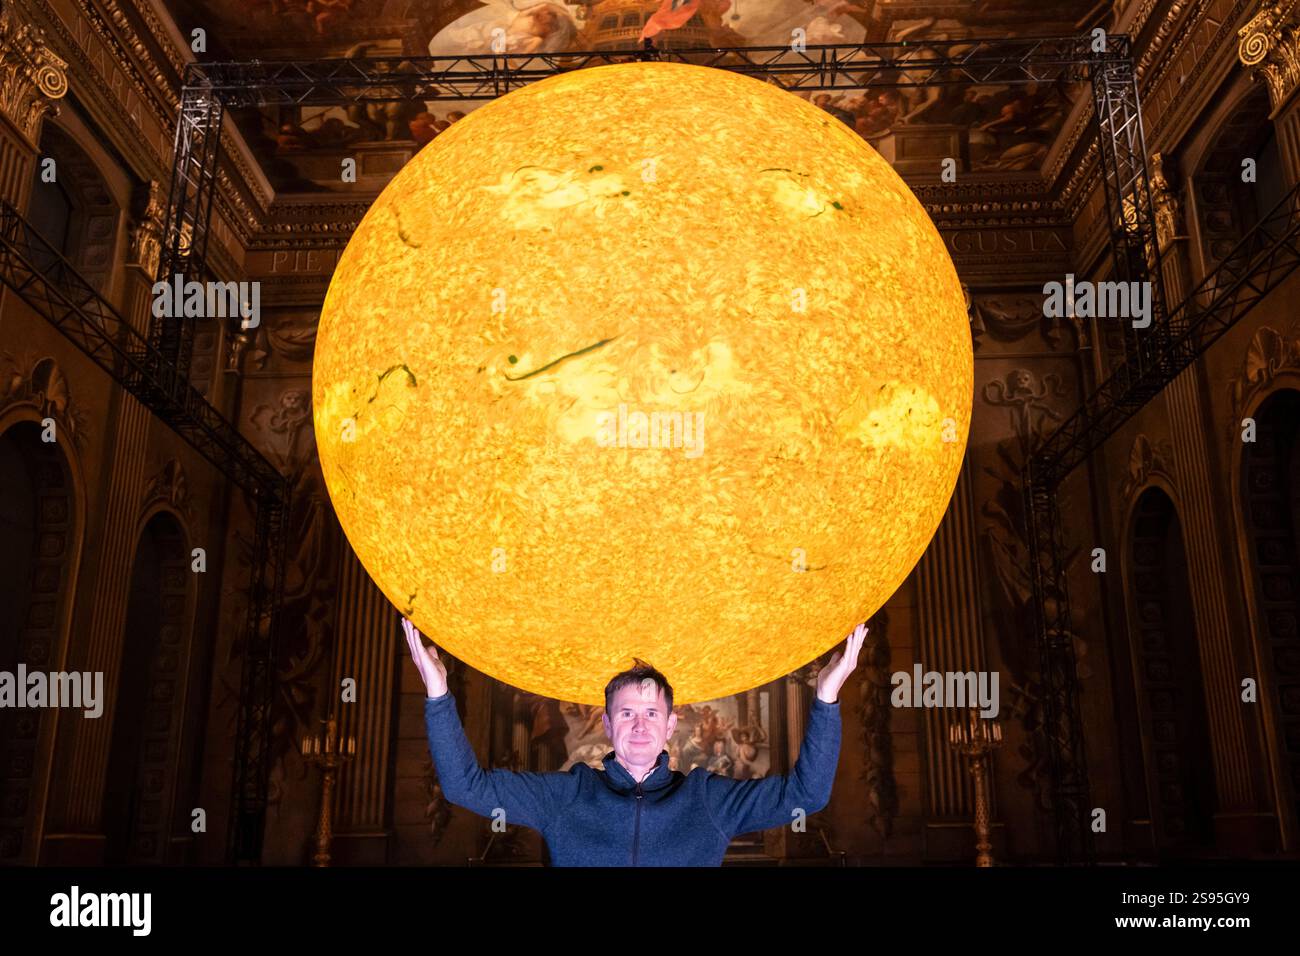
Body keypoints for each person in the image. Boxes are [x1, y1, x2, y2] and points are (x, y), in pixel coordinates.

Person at [404, 618, 867, 866]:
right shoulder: (567, 796)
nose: (640, 725)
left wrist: (826, 697)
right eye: (627, 713)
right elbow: (465, 786)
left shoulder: (707, 800)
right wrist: (438, 693)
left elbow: (807, 795)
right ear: (608, 724)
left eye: (651, 714)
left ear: (670, 726)